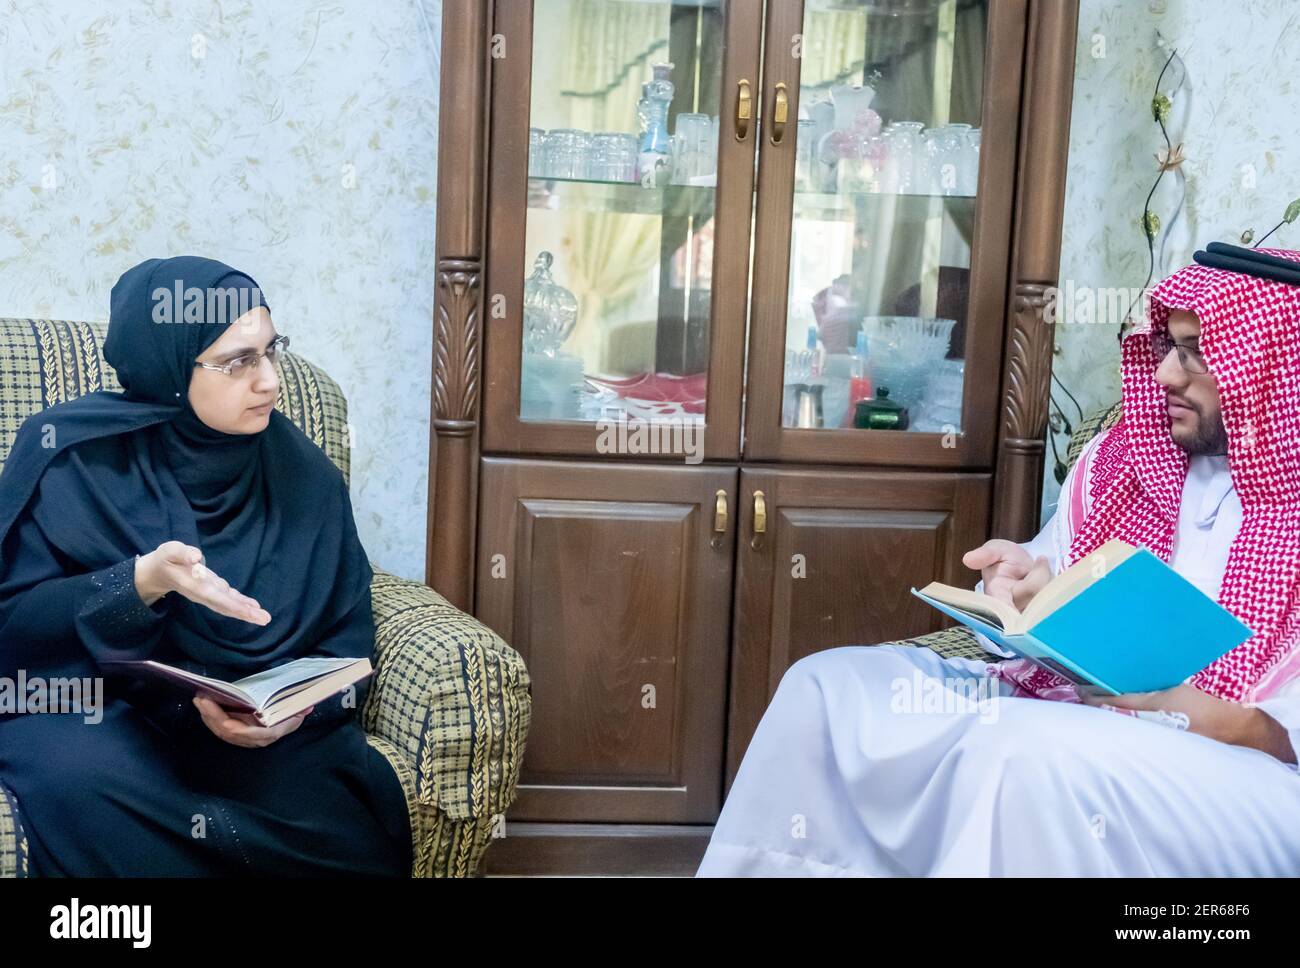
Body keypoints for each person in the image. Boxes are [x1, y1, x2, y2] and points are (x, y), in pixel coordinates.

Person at [697, 246, 1300, 877]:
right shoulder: (1123, 461)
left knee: (1019, 754)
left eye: (1198, 351)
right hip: (1078, 711)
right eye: (1169, 348)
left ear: (1275, 365)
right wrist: (1027, 583)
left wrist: (1228, 720)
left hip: (1248, 769)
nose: (1168, 376)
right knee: (828, 687)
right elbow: (1057, 571)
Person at [0, 256, 411, 876]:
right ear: (168, 366)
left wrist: (289, 714)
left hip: (254, 745)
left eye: (272, 352)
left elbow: (347, 650)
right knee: (77, 783)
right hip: (103, 712)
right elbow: (14, 631)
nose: (270, 381)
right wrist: (139, 583)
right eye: (238, 361)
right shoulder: (72, 457)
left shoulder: (306, 478)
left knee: (345, 812)